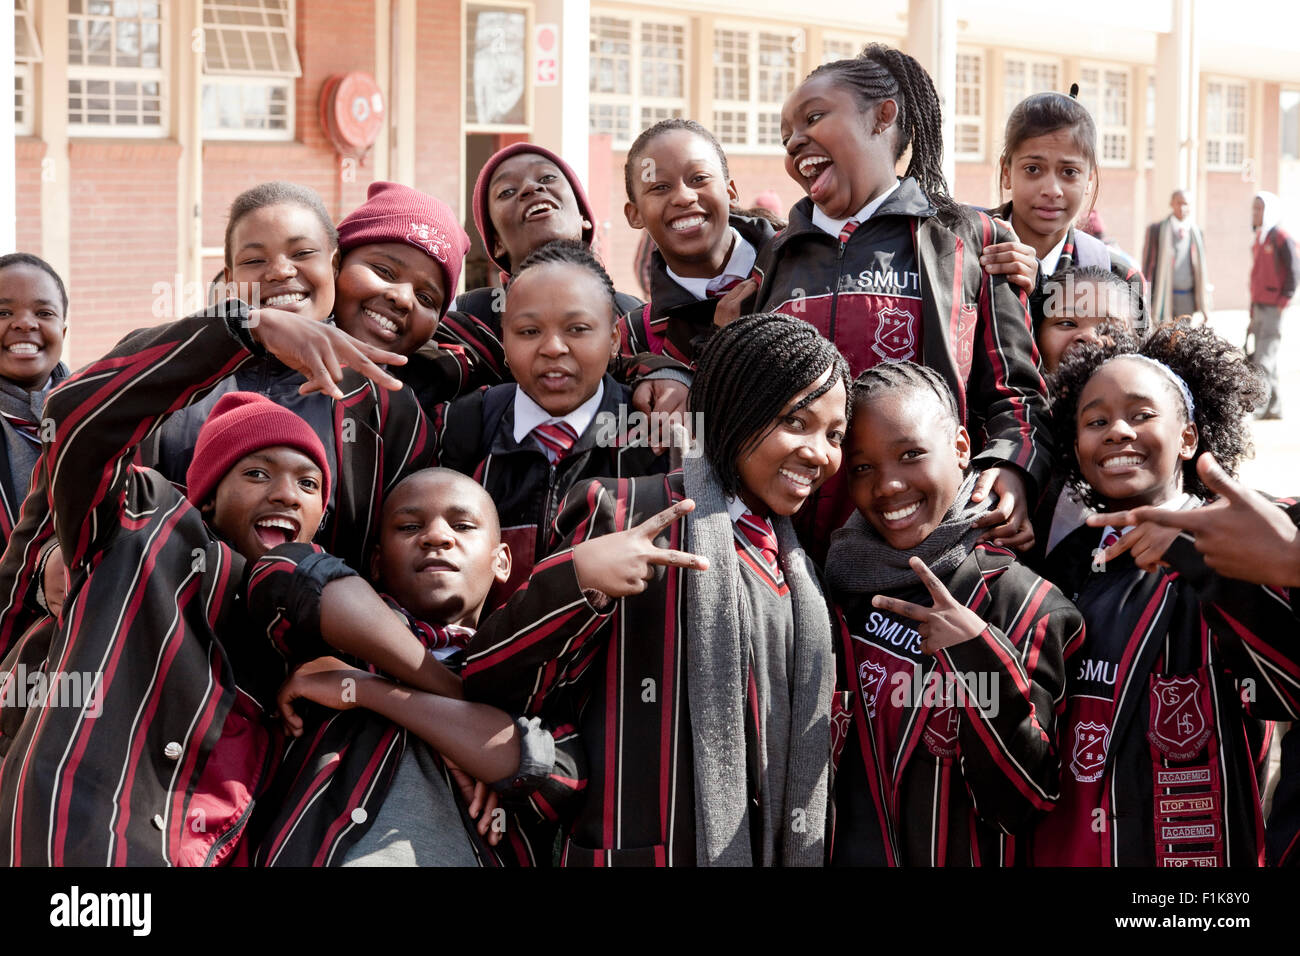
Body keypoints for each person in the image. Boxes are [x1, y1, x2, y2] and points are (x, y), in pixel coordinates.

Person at [0, 296, 412, 865]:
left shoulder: (314, 639)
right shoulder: (139, 527)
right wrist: (245, 327)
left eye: (310, 484)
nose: (287, 493)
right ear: (209, 497)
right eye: (257, 473)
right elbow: (77, 419)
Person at [462, 312, 849, 866]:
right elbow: (496, 678)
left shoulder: (802, 570)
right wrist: (579, 582)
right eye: (796, 421)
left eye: (834, 435)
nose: (819, 452)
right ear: (734, 411)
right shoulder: (628, 511)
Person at [754, 44, 1051, 559]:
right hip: (791, 546)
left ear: (883, 117)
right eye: (786, 136)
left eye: (814, 117)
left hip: (924, 542)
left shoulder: (972, 239)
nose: (795, 140)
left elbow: (1015, 392)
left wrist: (1011, 465)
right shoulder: (776, 254)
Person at [1034, 322, 1300, 865]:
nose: (1118, 432)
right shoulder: (1059, 565)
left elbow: (1282, 685)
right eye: (1096, 421)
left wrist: (1197, 558)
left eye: (1141, 414)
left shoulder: (1237, 552)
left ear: (1188, 438)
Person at [251, 468, 585, 866]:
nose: (437, 536)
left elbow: (550, 776)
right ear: (375, 563)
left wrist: (363, 690)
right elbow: (282, 571)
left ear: (502, 561)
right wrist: (463, 711)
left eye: (462, 525)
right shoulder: (337, 642)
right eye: (409, 526)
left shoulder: (530, 671)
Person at [828, 362, 1077, 866]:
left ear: (962, 448)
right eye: (862, 468)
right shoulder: (833, 587)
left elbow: (1024, 803)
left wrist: (979, 656)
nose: (889, 486)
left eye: (911, 455)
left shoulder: (1023, 602)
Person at [434, 240, 669, 600]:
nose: (553, 347)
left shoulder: (656, 436)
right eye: (529, 331)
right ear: (504, 342)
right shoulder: (460, 428)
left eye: (577, 329)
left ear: (612, 339)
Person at [985, 89, 1145, 336]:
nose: (1052, 190)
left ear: (1089, 179)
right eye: (1033, 169)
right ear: (1006, 172)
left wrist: (1041, 292)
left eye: (1069, 172)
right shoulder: (968, 255)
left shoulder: (1118, 280)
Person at [618, 118, 775, 369]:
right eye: (659, 187)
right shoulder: (635, 337)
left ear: (730, 192)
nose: (683, 197)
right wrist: (720, 344)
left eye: (699, 178)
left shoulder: (800, 271)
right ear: (635, 214)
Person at [1027, 265, 1145, 567]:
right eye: (1066, 322)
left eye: (1109, 328)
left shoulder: (1157, 439)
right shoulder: (1013, 436)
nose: (1088, 337)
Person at [0, 254, 70, 548]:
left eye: (44, 313)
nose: (25, 323)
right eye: (3, 313)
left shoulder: (96, 414)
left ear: (63, 332)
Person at [1248, 190, 1295, 420]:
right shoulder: (1259, 238)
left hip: (1273, 307)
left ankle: (1260, 407)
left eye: (1260, 209)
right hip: (1259, 306)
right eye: (1254, 208)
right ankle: (1274, 408)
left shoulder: (1281, 238)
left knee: (1263, 359)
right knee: (1267, 359)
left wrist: (1283, 301)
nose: (1255, 213)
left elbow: (1294, 271)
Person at [1143, 189, 1211, 326]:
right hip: (1163, 298)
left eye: (1186, 204)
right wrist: (1145, 300)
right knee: (1164, 337)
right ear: (1171, 204)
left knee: (1184, 339)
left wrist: (1205, 305)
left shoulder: (1197, 233)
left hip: (1187, 298)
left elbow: (1202, 270)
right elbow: (1148, 267)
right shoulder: (1156, 230)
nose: (1182, 208)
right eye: (1179, 203)